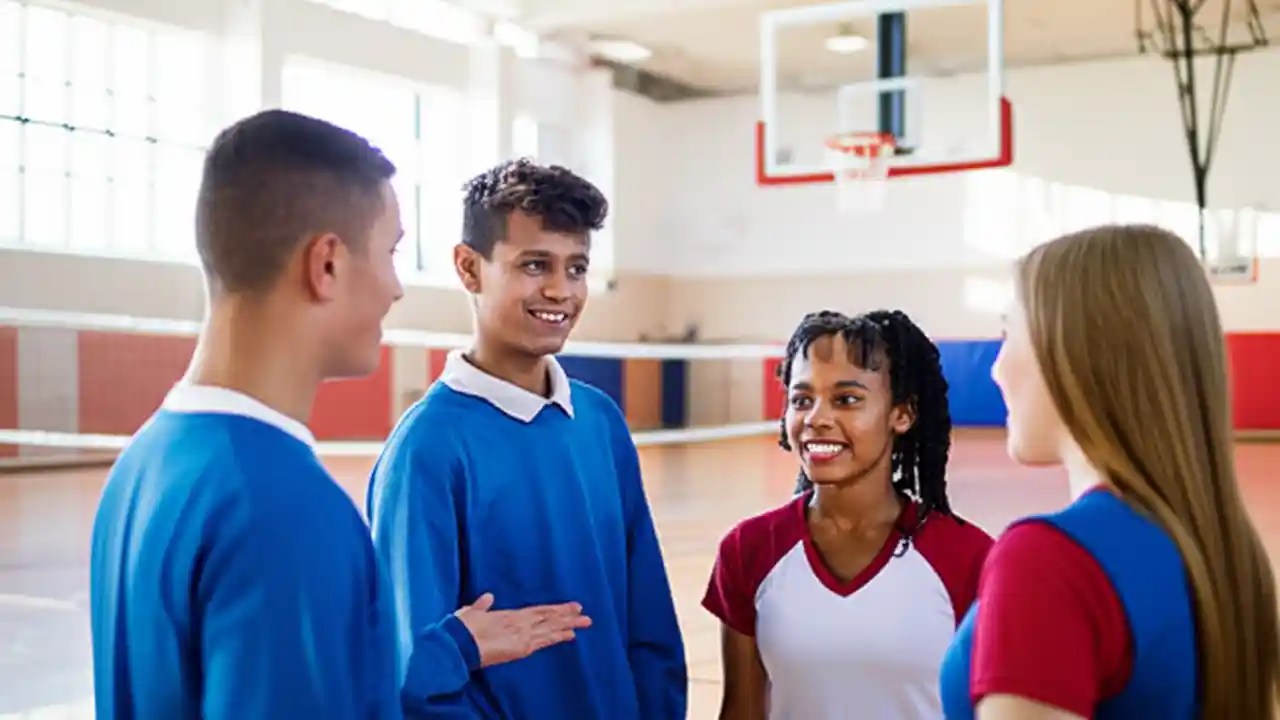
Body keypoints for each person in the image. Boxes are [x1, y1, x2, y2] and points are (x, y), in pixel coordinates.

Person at [88, 111, 586, 720]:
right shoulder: (282, 508)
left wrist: (450, 646)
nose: (396, 288)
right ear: (326, 264)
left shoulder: (145, 462)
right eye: (390, 251)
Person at [366, 157, 688, 719]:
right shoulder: (428, 450)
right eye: (535, 265)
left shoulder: (600, 422)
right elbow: (410, 668)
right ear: (469, 268)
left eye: (578, 268)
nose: (561, 291)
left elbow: (648, 617)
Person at [938, 224, 1280, 720]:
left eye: (1009, 332)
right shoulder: (1221, 548)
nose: (995, 368)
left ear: (1075, 352)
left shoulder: (1050, 561)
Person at [703, 309, 994, 720]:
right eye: (801, 400)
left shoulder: (970, 557)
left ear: (902, 413)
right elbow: (741, 711)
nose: (817, 419)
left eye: (847, 400)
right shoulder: (749, 549)